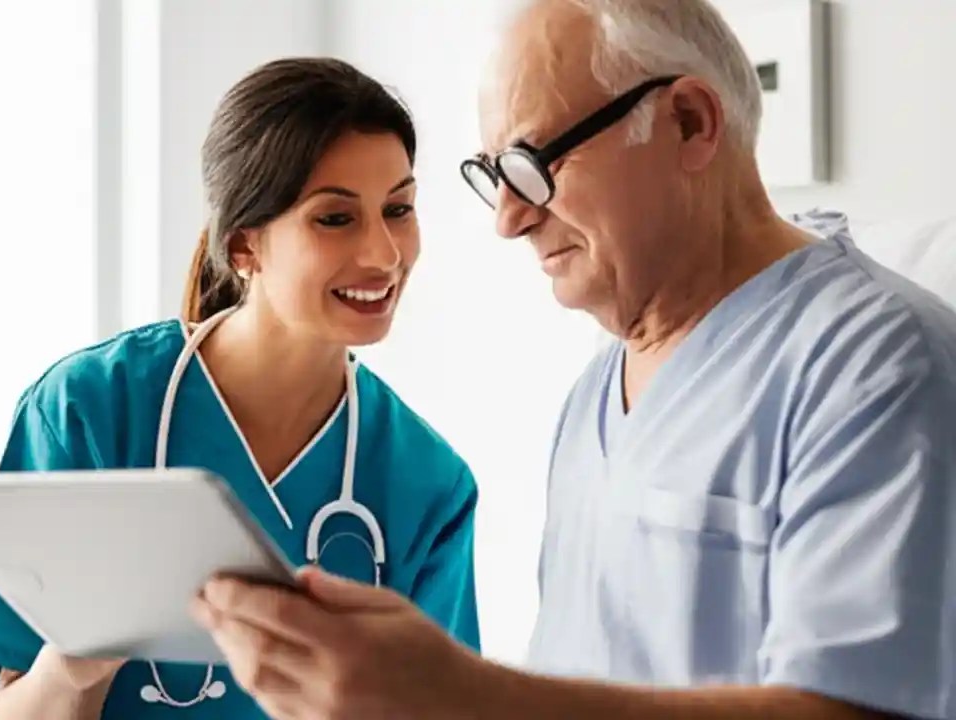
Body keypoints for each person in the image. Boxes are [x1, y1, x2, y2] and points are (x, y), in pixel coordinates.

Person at [189, 1, 956, 719]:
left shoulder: (876, 368)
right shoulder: (603, 386)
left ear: (689, 122)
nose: (510, 219)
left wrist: (460, 697)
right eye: (495, 176)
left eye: (531, 164)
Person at [0, 57, 482, 719]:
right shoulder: (91, 413)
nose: (385, 254)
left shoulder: (427, 485)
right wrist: (76, 665)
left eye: (399, 209)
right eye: (336, 219)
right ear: (244, 246)